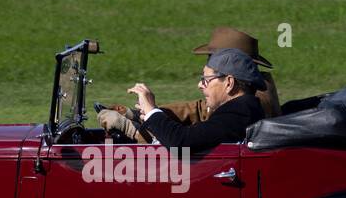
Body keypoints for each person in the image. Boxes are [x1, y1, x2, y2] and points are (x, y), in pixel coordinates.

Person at [98, 27, 280, 141]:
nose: (200, 85)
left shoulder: (249, 104)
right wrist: (140, 114)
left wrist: (137, 129)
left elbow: (184, 141)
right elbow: (200, 110)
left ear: (230, 79)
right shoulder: (242, 98)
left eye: (215, 58)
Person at [131, 48, 265, 150]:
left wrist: (151, 111)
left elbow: (181, 142)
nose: (200, 85)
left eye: (206, 80)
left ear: (229, 83)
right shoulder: (245, 110)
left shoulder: (239, 113)